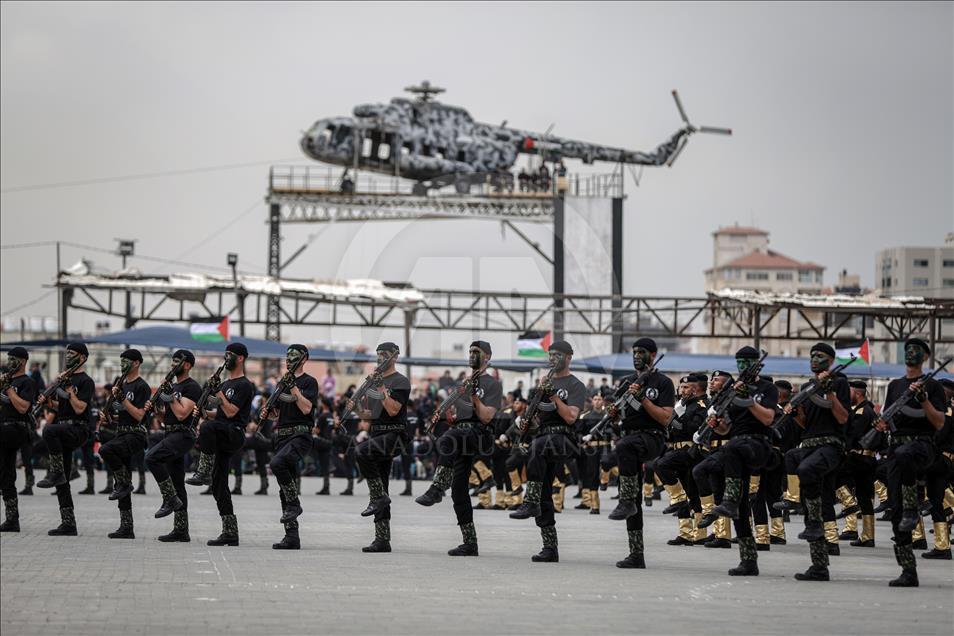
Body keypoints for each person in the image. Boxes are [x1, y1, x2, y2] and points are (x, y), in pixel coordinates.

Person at [699, 346, 780, 576]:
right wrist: (718, 424)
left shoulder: (767, 388)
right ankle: (748, 560)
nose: (743, 366)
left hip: (759, 443)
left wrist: (748, 399)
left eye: (747, 362)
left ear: (756, 364)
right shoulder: (730, 391)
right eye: (740, 362)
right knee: (742, 506)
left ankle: (729, 500)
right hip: (736, 446)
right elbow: (727, 429)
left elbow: (767, 419)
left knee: (732, 450)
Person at [415, 341, 502, 556]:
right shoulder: (462, 383)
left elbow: (486, 416)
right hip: (462, 435)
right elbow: (460, 414)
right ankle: (470, 542)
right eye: (471, 351)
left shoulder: (492, 384)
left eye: (477, 352)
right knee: (459, 491)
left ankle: (436, 488)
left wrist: (473, 396)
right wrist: (450, 416)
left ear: (487, 357)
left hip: (479, 434)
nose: (472, 355)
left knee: (447, 440)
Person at [876, 338, 946, 586]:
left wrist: (924, 399)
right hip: (897, 448)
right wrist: (882, 424)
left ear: (925, 357)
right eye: (908, 349)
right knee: (895, 514)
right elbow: (888, 416)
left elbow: (938, 423)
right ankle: (908, 570)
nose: (911, 353)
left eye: (916, 350)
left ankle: (913, 505)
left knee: (907, 454)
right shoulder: (895, 386)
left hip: (922, 445)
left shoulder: (933, 386)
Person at [508, 341, 586, 563]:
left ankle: (529, 501)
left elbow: (571, 417)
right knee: (544, 492)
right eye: (550, 354)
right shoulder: (541, 385)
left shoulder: (575, 385)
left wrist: (553, 396)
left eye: (558, 355)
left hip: (564, 438)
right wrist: (527, 422)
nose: (553, 358)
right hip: (543, 438)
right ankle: (549, 547)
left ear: (568, 358)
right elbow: (536, 421)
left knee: (539, 446)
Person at [604, 338, 675, 568]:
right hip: (630, 438)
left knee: (624, 447)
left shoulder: (663, 382)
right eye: (634, 351)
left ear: (652, 355)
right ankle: (636, 554)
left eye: (642, 352)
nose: (637, 355)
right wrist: (614, 412)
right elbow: (619, 418)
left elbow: (665, 418)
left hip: (651, 437)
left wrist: (642, 398)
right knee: (635, 499)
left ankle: (625, 500)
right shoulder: (626, 382)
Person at [186, 343, 256, 546]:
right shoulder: (225, 384)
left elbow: (233, 412)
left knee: (208, 428)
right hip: (222, 433)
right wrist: (205, 413)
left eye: (230, 355)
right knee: (219, 484)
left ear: (241, 358)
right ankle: (230, 532)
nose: (227, 358)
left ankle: (203, 471)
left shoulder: (244, 384)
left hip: (234, 433)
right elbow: (221, 413)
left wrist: (219, 394)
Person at [352, 342, 411, 553]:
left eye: (383, 355)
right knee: (382, 482)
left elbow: (394, 410)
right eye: (377, 355)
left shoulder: (401, 381)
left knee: (362, 452)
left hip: (395, 434)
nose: (379, 359)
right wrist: (356, 407)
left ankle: (378, 497)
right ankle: (382, 539)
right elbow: (370, 416)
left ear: (394, 357)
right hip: (378, 433)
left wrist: (381, 387)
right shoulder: (374, 382)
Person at [261, 344, 319, 550]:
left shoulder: (309, 382)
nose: (289, 359)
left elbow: (306, 408)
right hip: (283, 436)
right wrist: (266, 411)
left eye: (294, 356)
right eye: (287, 356)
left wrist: (293, 386)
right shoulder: (281, 384)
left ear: (304, 359)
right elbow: (277, 412)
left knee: (277, 464)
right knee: (285, 488)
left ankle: (294, 504)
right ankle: (292, 536)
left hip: (300, 435)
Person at [36, 343, 95, 536]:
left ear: (82, 357)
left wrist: (68, 390)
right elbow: (61, 407)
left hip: (78, 428)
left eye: (72, 353)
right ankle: (68, 523)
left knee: (49, 430)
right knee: (63, 480)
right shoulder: (63, 380)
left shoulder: (86, 381)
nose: (68, 356)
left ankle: (54, 471)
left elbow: (79, 408)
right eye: (67, 352)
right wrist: (48, 401)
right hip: (64, 427)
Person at [145, 349, 201, 542]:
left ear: (187, 365)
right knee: (178, 484)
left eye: (177, 362)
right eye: (172, 362)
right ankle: (181, 530)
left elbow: (182, 414)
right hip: (170, 432)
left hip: (183, 434)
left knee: (151, 457)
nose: (172, 365)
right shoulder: (174, 387)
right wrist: (155, 411)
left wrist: (170, 395)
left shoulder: (192, 387)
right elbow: (166, 418)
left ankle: (169, 499)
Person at [98, 349, 151, 539]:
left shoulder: (141, 386)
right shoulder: (120, 385)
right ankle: (126, 527)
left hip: (136, 435)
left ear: (136, 363)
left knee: (106, 450)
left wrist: (121, 399)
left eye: (126, 361)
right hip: (121, 433)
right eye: (121, 361)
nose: (122, 365)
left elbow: (138, 415)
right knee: (123, 481)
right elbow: (123, 415)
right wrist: (109, 416)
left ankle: (124, 484)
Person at [654, 373, 708, 545]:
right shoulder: (678, 405)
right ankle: (685, 533)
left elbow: (693, 428)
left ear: (695, 389)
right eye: (681, 387)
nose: (683, 390)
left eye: (687, 387)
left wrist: (676, 419)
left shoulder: (699, 406)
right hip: (677, 449)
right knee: (686, 492)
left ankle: (699, 533)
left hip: (690, 452)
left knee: (692, 492)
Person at [0, 347, 37, 532]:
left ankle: (12, 519)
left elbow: (23, 408)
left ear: (22, 361)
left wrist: (8, 390)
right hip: (3, 427)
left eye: (12, 359)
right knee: (6, 474)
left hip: (15, 428)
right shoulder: (5, 380)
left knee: (6, 473)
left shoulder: (26, 382)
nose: (9, 362)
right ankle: (11, 519)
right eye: (8, 359)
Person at [841, 380, 878, 548]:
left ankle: (850, 507)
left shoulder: (862, 411)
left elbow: (853, 434)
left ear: (857, 393)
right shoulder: (865, 410)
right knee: (864, 498)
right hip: (865, 459)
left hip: (860, 459)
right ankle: (867, 536)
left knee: (840, 481)